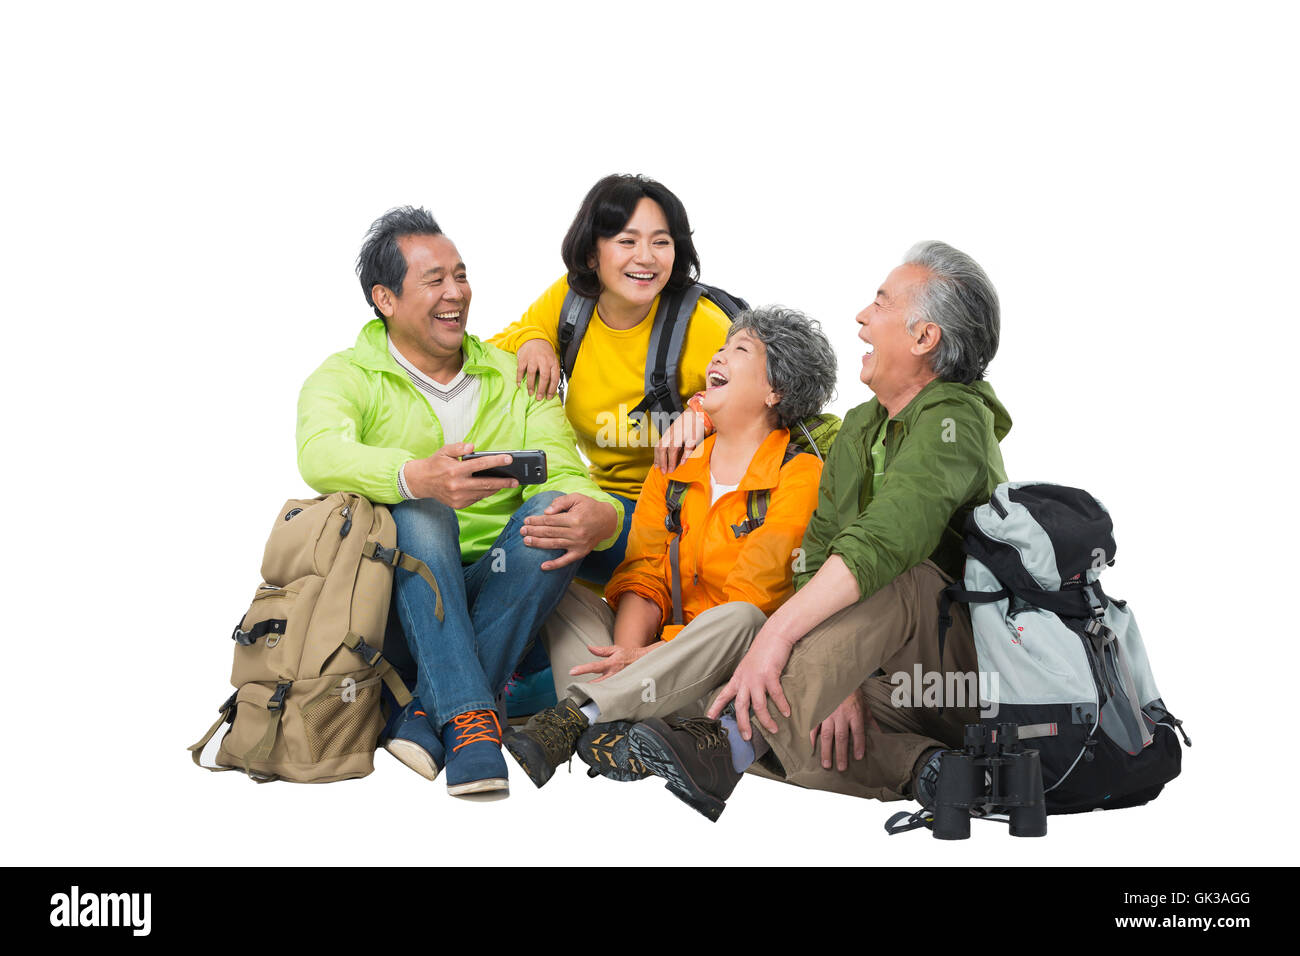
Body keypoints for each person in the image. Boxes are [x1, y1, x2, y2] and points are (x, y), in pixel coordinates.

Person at [619, 241, 1013, 820]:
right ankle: (933, 772)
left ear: (924, 337)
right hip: (892, 680)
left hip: (962, 668)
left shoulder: (955, 419)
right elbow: (815, 555)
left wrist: (780, 639)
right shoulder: (860, 426)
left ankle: (728, 746)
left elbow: (887, 537)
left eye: (880, 303)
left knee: (897, 577)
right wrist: (838, 680)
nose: (861, 317)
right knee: (750, 702)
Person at [296, 206, 624, 797]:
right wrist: (414, 477)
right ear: (386, 298)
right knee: (422, 516)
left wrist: (600, 512)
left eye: (462, 275)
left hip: (510, 584)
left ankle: (437, 716)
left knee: (553, 517)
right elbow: (320, 454)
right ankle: (473, 715)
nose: (456, 293)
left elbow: (565, 470)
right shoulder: (345, 376)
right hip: (400, 603)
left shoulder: (515, 376)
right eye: (434, 280)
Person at [499, 308, 837, 790]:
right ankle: (618, 728)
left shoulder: (799, 474)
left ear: (774, 392)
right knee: (559, 584)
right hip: (649, 664)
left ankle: (579, 715)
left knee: (741, 618)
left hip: (719, 673)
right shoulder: (676, 462)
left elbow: (753, 595)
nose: (719, 353)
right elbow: (644, 572)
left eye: (741, 350)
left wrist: (653, 657)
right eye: (724, 344)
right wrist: (629, 652)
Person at [488, 173, 732, 585]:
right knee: (513, 531)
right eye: (626, 241)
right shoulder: (571, 301)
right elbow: (488, 354)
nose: (647, 257)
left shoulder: (702, 325)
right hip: (604, 499)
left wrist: (701, 412)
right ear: (590, 255)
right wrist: (533, 339)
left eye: (661, 241)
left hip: (687, 518)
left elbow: (769, 389)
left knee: (542, 537)